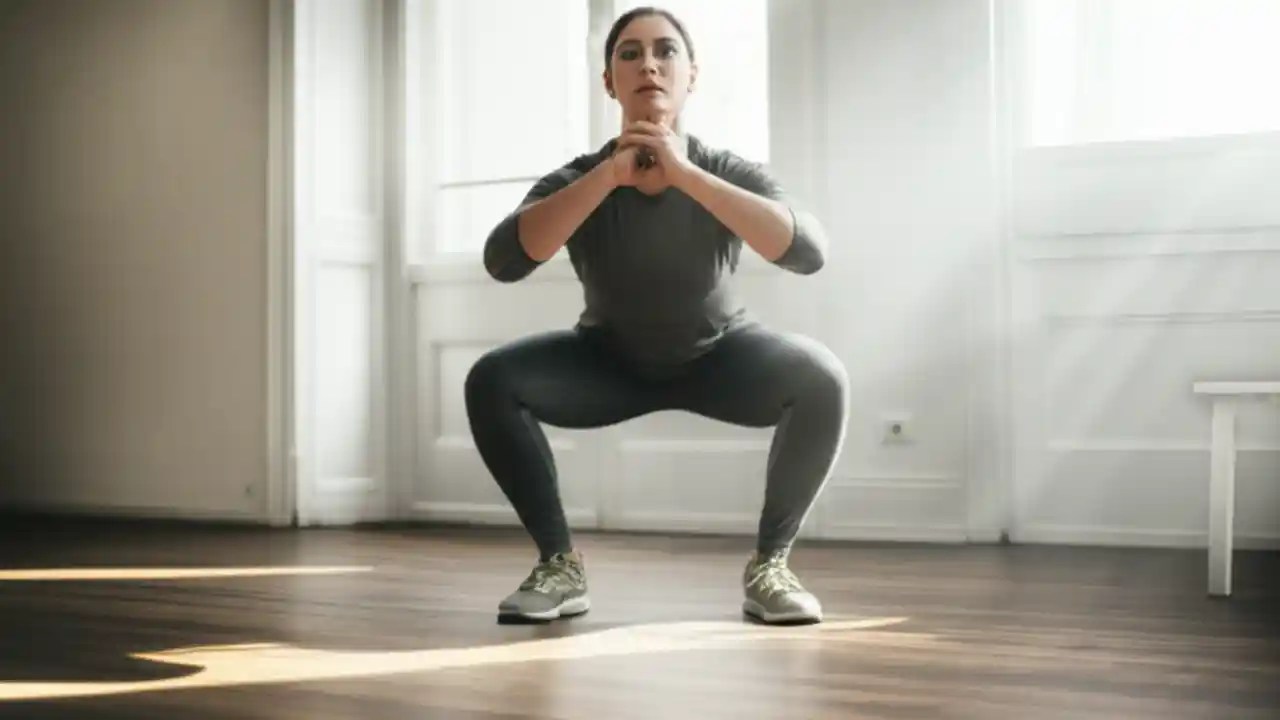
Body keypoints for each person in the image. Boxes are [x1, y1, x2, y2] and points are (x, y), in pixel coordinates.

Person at [466, 6, 848, 625]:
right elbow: (504, 259)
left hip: (722, 358)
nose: (649, 63)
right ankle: (559, 565)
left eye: (666, 51)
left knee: (822, 377)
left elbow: (808, 252)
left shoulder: (725, 171)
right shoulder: (576, 178)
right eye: (630, 53)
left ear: (690, 75)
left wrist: (685, 175)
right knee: (492, 378)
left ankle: (771, 566)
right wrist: (612, 174)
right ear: (608, 82)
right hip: (605, 362)